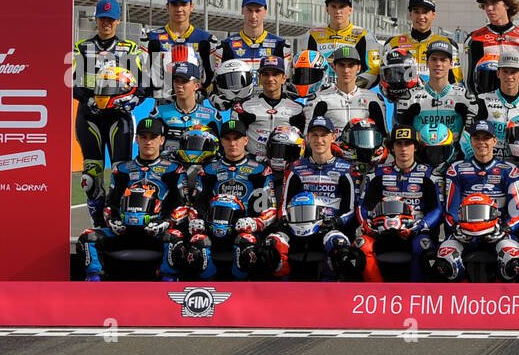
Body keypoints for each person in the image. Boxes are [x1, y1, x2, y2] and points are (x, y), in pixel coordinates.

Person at [170, 117, 278, 280]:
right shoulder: (209, 170)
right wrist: (196, 221)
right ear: (221, 141)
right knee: (197, 241)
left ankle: (242, 289)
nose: (232, 143)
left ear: (246, 140)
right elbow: (197, 205)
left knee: (246, 243)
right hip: (213, 230)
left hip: (244, 231)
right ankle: (208, 289)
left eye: (237, 138)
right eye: (227, 139)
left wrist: (255, 223)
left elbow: (270, 210)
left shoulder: (260, 171)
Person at [78, 116, 183, 282]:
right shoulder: (122, 169)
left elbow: (182, 206)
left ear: (162, 140)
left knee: (175, 238)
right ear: (136, 139)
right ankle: (94, 288)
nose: (148, 142)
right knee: (87, 237)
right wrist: (112, 220)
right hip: (124, 231)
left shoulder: (174, 169)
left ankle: (167, 289)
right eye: (143, 137)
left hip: (156, 232)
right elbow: (110, 204)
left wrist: (165, 222)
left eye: (153, 137)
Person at [74, 0, 146, 224]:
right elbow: (72, 85)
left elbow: (143, 86)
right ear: (96, 19)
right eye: (103, 18)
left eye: (111, 19)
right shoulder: (82, 48)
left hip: (119, 115)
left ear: (119, 20)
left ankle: (119, 219)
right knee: (90, 176)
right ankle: (97, 222)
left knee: (121, 171)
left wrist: (132, 101)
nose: (107, 23)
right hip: (90, 116)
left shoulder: (129, 49)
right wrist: (88, 98)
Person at [265, 115, 363, 281]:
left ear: (333, 137)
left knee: (339, 246)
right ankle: (281, 293)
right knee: (272, 245)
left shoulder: (347, 169)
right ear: (308, 137)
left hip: (329, 227)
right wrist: (286, 221)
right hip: (298, 227)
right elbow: (283, 205)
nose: (319, 140)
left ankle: (331, 293)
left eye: (324, 135)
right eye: (315, 135)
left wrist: (336, 222)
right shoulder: (296, 167)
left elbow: (352, 210)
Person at [435, 121, 519, 282]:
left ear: (494, 141)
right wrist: (457, 228)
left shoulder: (510, 170)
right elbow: (451, 210)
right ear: (471, 141)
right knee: (445, 260)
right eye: (477, 138)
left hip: (498, 233)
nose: (481, 143)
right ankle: (462, 300)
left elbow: (518, 212)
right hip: (464, 233)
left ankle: (504, 300)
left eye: (486, 138)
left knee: (512, 261)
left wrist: (505, 228)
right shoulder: (456, 169)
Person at [353, 126, 442, 282]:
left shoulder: (430, 174)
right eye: (398, 144)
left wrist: (419, 227)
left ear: (416, 147)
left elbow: (437, 210)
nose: (403, 148)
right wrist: (369, 226)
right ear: (392, 148)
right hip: (381, 232)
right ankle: (376, 297)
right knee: (361, 245)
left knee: (424, 246)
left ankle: (414, 296)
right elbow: (363, 207)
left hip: (416, 231)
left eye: (408, 143)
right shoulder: (377, 173)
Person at [467, 48, 519, 168]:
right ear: (498, 73)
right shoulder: (480, 101)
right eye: (505, 71)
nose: (509, 76)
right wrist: (476, 160)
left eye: (513, 72)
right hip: (488, 168)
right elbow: (467, 136)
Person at [392, 38, 475, 154]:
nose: (438, 64)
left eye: (443, 60)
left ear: (451, 64)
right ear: (427, 63)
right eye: (434, 59)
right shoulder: (410, 97)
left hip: (455, 160)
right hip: (420, 160)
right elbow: (402, 138)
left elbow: (472, 137)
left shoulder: (465, 97)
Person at [303, 45, 389, 144]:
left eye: (351, 65)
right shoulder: (318, 99)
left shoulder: (374, 99)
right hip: (331, 157)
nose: (346, 70)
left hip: (363, 157)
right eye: (341, 65)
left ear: (359, 68)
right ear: (334, 67)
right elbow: (308, 138)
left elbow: (384, 137)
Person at [143, 0, 214, 98]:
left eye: (184, 4)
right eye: (174, 4)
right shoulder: (151, 39)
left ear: (191, 6)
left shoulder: (205, 40)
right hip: (161, 105)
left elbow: (211, 78)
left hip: (194, 105)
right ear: (167, 6)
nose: (179, 9)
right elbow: (142, 77)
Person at [307, 0, 381, 88]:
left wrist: (348, 87)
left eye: (342, 7)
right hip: (320, 93)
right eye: (333, 6)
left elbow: (373, 71)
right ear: (327, 9)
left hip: (353, 95)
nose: (338, 11)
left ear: (350, 10)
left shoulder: (364, 35)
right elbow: (305, 66)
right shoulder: (313, 34)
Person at [383, 0, 464, 83]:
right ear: (411, 14)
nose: (421, 17)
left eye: (425, 12)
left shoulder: (448, 43)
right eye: (416, 12)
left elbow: (457, 81)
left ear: (433, 15)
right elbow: (383, 76)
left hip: (435, 95)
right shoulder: (392, 43)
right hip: (402, 96)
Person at [232, 56, 302, 158]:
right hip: (254, 164)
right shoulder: (244, 107)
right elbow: (234, 139)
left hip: (286, 164)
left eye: (275, 74)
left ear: (284, 78)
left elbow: (305, 140)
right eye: (265, 74)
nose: (270, 79)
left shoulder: (297, 108)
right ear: (259, 78)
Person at [212, 0, 291, 77]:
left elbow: (286, 81)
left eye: (258, 11)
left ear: (265, 12)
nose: (253, 16)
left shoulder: (280, 45)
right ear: (242, 10)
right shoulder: (226, 46)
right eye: (249, 10)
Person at [155, 61, 220, 159]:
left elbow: (220, 150)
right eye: (176, 81)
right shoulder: (159, 113)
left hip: (200, 169)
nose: (179, 85)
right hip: (169, 168)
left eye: (184, 81)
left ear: (196, 86)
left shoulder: (212, 116)